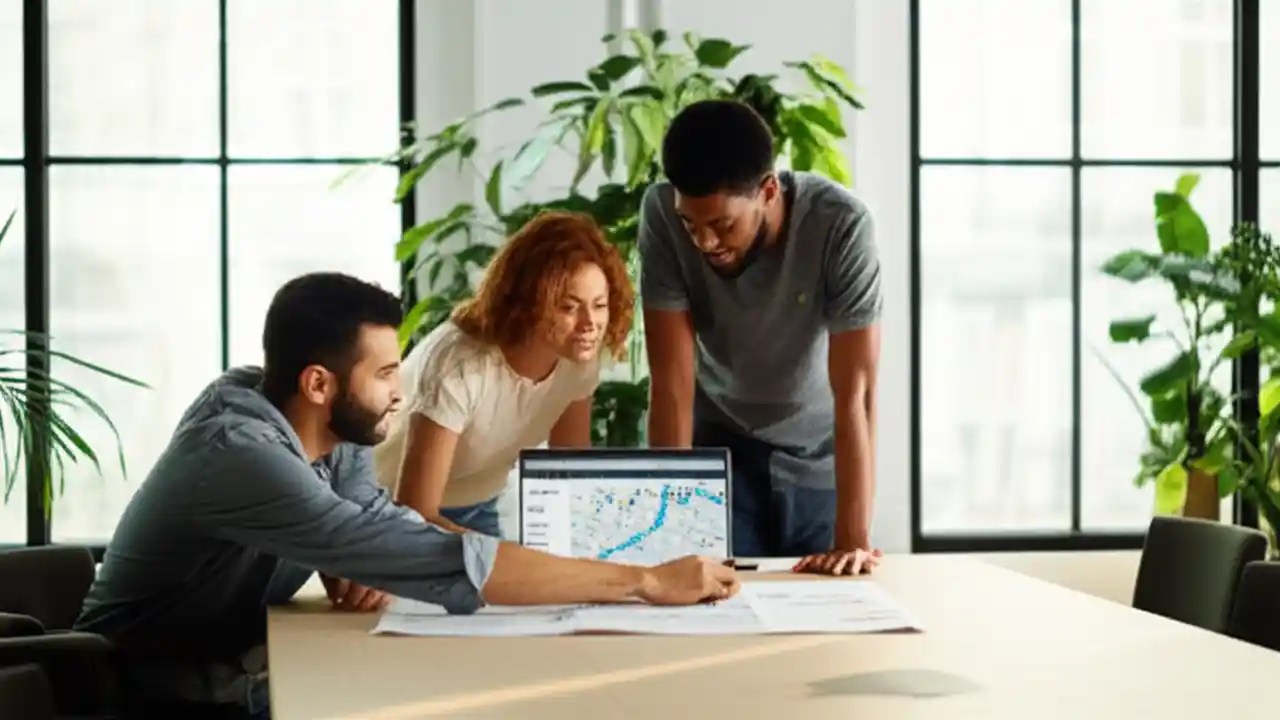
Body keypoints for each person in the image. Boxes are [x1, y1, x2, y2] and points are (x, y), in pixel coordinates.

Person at [75, 272, 738, 719]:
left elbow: (381, 525)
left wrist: (361, 551)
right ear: (317, 384)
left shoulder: (333, 426)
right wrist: (645, 580)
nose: (401, 390)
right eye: (387, 373)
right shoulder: (243, 455)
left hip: (234, 656)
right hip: (147, 686)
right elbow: (431, 556)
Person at [638, 99, 883, 575]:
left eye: (722, 225)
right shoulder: (662, 215)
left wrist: (853, 539)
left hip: (816, 455)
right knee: (712, 603)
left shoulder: (841, 226)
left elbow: (857, 393)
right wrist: (672, 533)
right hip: (721, 449)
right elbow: (670, 383)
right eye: (691, 224)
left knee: (823, 605)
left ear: (768, 190)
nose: (704, 243)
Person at [373, 211, 632, 537]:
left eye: (600, 305)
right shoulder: (461, 363)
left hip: (479, 502)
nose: (589, 323)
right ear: (528, 301)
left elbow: (568, 475)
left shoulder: (580, 357)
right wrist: (514, 562)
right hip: (390, 505)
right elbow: (415, 514)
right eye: (568, 307)